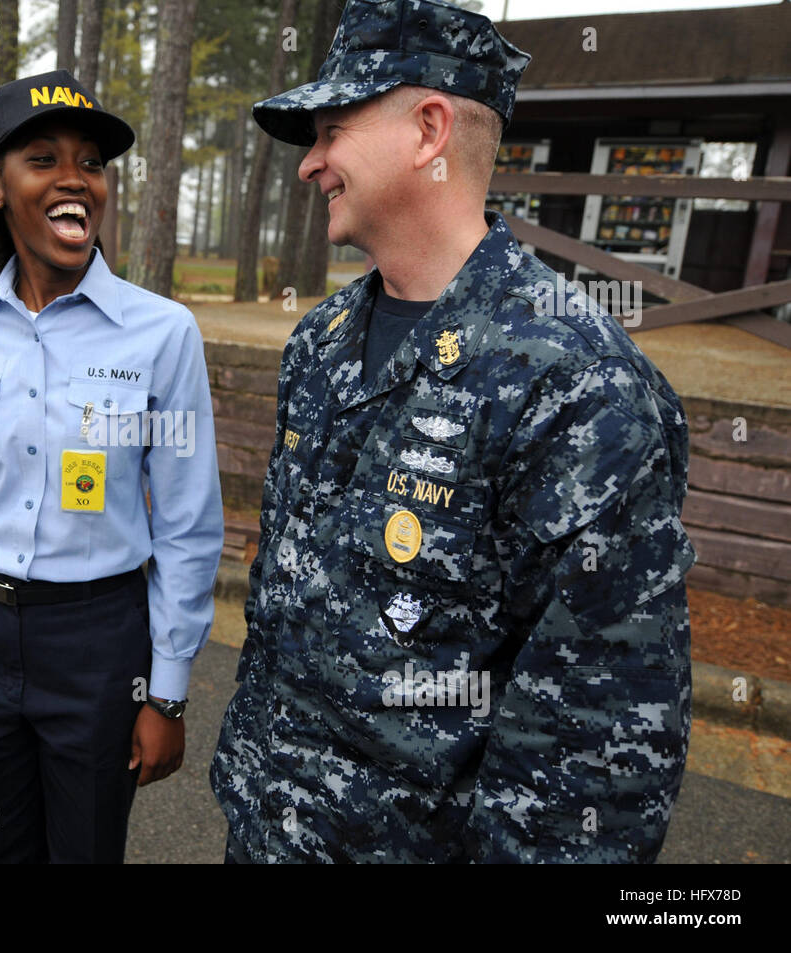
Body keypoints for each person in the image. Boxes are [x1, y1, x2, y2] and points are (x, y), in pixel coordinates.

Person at [210, 0, 695, 863]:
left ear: (429, 128)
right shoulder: (319, 344)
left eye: (331, 129)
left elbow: (593, 749)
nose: (309, 164)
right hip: (266, 833)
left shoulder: (577, 382)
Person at [0, 69, 224, 863]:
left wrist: (169, 689)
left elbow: (188, 522)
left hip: (96, 644)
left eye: (91, 161)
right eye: (43, 159)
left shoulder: (163, 333)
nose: (75, 179)